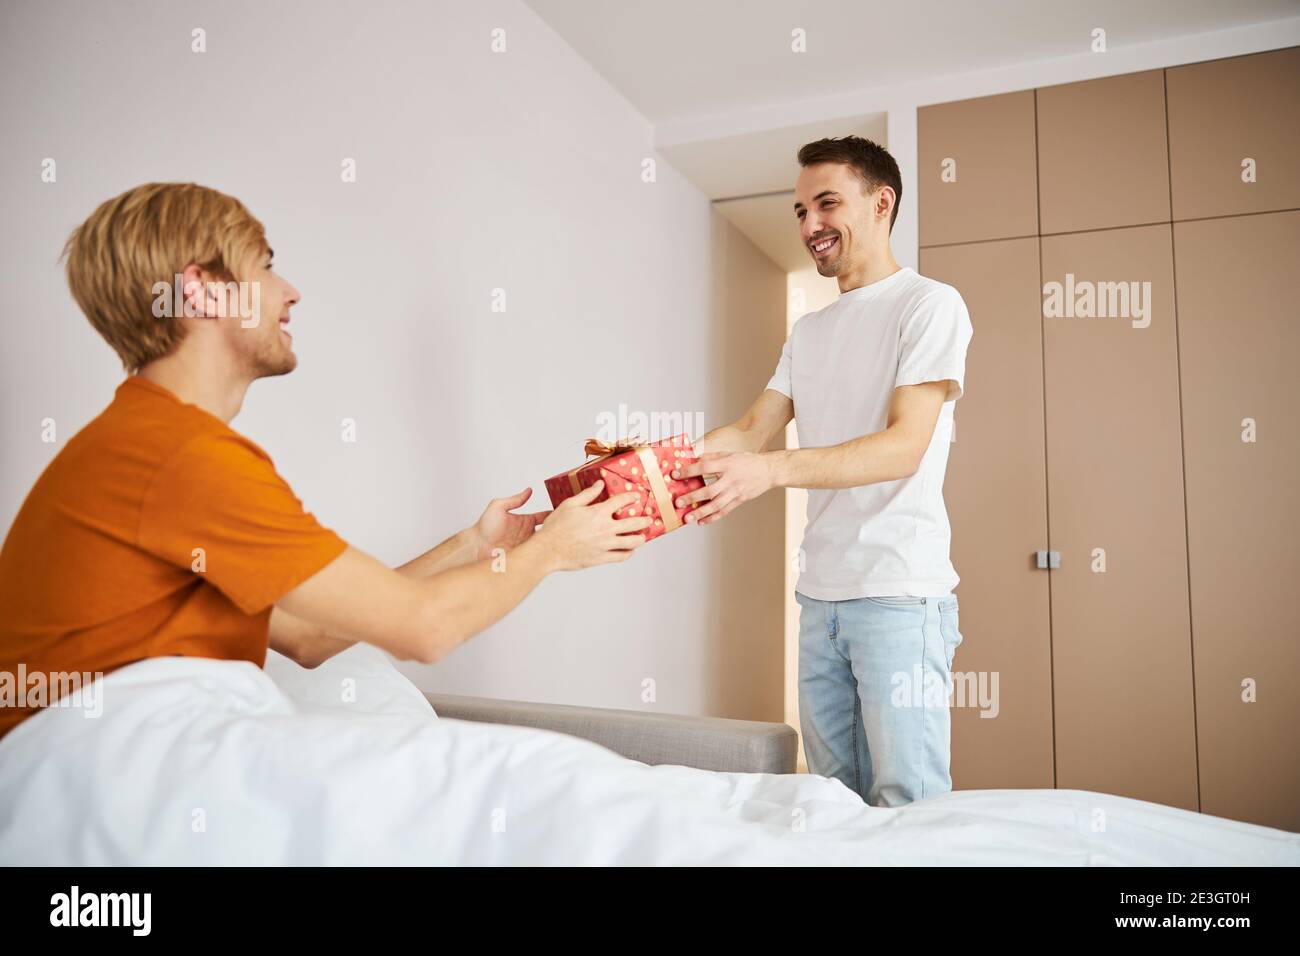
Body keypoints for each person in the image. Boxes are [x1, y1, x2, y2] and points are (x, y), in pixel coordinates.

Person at [0, 182, 650, 742]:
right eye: (265, 265)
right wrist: (554, 550)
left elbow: (308, 635)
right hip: (87, 775)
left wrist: (473, 547)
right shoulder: (178, 455)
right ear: (200, 291)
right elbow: (425, 630)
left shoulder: (146, 440)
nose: (291, 291)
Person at [677, 136, 974, 806]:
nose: (810, 226)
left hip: (898, 594)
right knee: (832, 801)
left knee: (908, 803)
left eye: (827, 204)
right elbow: (752, 430)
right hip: (821, 602)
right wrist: (654, 465)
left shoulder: (928, 306)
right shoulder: (808, 332)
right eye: (800, 210)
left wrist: (772, 472)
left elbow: (903, 446)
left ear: (881, 203)